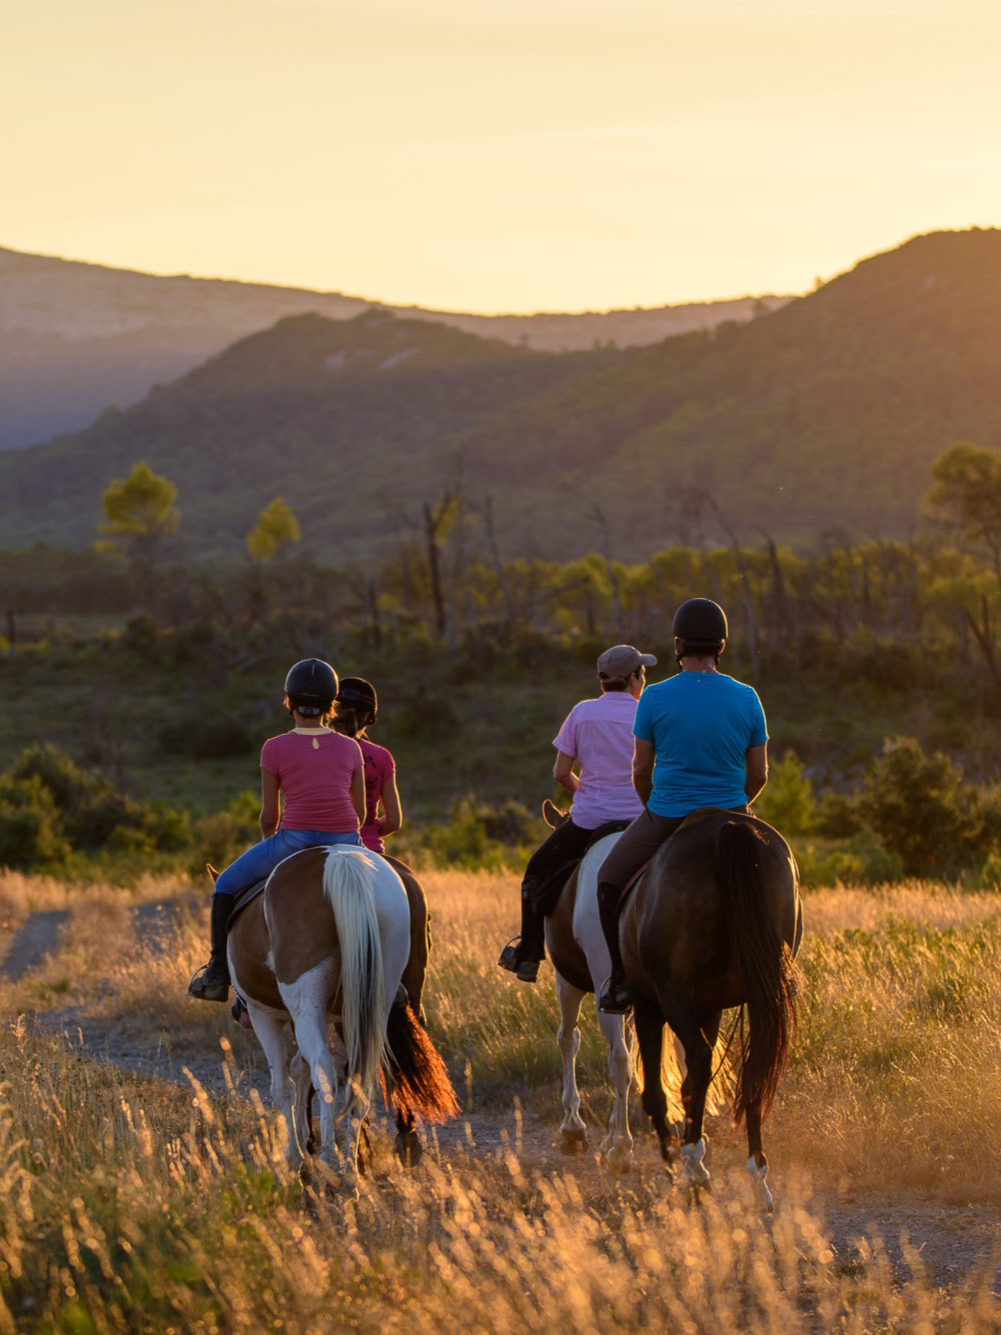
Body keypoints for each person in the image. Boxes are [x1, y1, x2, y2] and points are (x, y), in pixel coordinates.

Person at [596, 599, 769, 1014]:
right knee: (779, 877)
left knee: (608, 878)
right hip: (731, 813)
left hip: (668, 813)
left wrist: (654, 810)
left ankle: (620, 979)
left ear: (677, 646)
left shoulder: (654, 697)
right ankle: (779, 971)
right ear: (721, 646)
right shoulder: (747, 697)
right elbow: (760, 774)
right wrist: (735, 806)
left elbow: (641, 769)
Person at [187, 658, 365, 1003]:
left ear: (289, 701)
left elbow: (270, 816)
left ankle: (218, 973)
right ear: (331, 705)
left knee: (224, 885)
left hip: (294, 840)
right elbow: (360, 812)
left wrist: (270, 845)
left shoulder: (274, 747)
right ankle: (395, 978)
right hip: (346, 840)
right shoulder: (351, 747)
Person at [498, 643, 657, 983]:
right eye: (642, 673)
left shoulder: (582, 713)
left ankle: (529, 954)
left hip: (589, 821)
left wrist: (585, 789)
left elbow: (560, 773)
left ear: (603, 681)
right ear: (633, 678)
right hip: (641, 822)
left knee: (535, 871)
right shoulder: (648, 713)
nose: (643, 680)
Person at [332, 676, 403, 854]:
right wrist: (370, 828)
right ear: (368, 717)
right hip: (369, 848)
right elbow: (394, 821)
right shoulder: (381, 757)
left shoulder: (315, 748)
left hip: (324, 846)